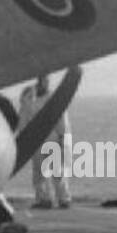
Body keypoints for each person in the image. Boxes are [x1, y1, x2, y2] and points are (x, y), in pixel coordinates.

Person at [25, 76, 71, 209]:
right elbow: (26, 118)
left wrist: (63, 139)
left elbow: (62, 119)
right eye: (40, 80)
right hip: (36, 139)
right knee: (39, 172)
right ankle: (44, 199)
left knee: (57, 171)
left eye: (44, 81)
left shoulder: (54, 98)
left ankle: (64, 198)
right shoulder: (30, 98)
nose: (42, 83)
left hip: (52, 137)